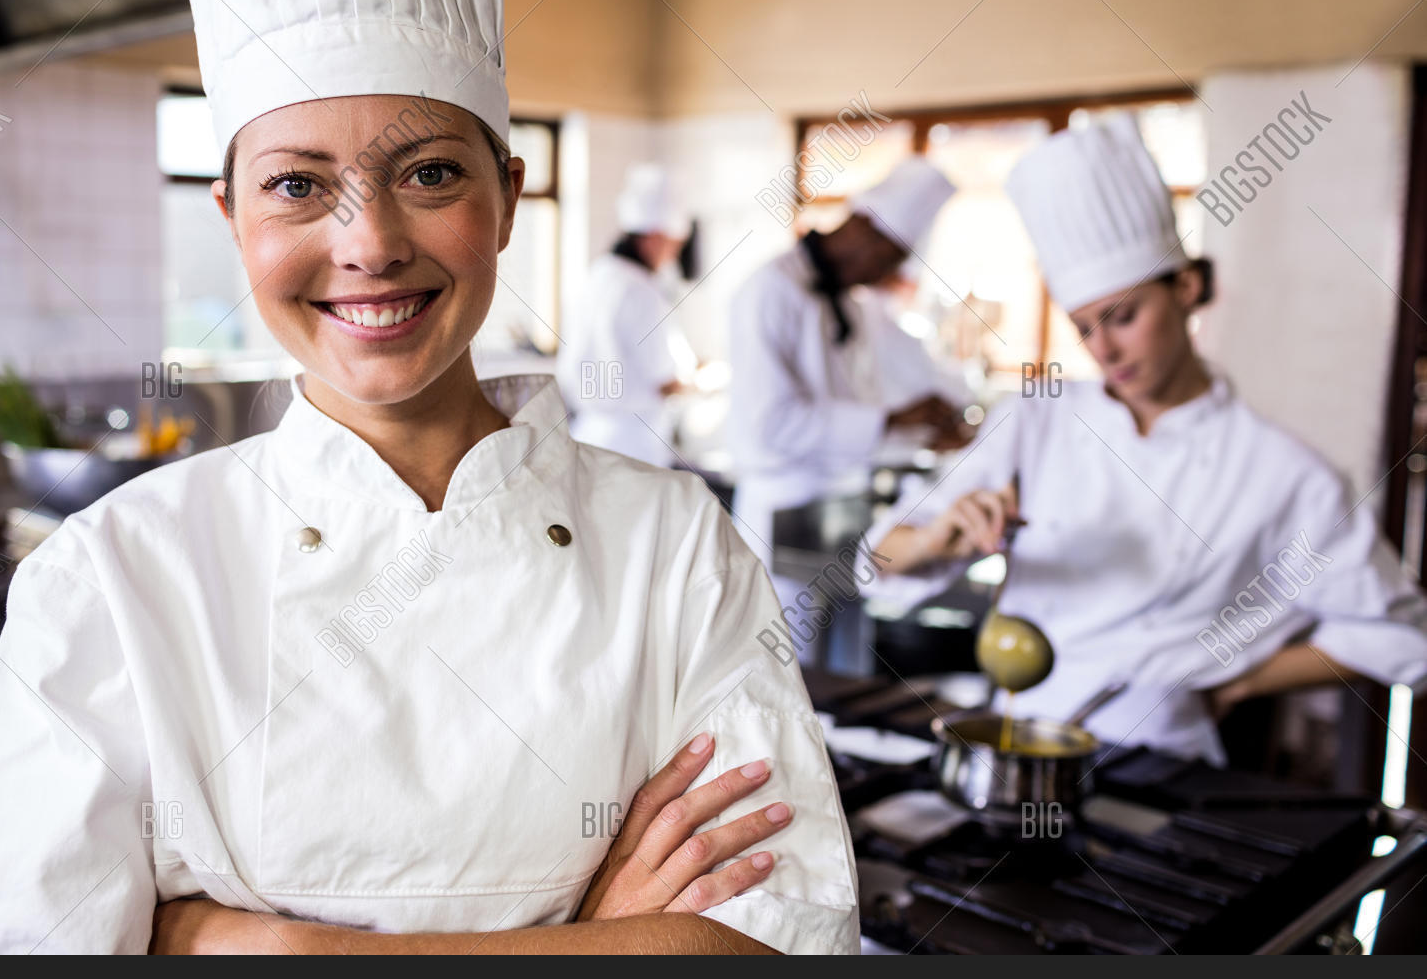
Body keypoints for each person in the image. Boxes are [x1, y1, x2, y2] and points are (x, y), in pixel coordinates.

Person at [0, 0, 858, 955]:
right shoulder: (110, 576)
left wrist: (275, 951)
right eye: (296, 184)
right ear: (232, 217)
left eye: (430, 173)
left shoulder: (675, 547)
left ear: (506, 195)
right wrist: (602, 944)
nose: (368, 242)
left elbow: (778, 951)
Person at [860, 115, 1427, 765]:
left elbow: (1398, 633)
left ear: (1186, 288)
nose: (1105, 349)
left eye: (1124, 317)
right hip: (1023, 740)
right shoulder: (1038, 417)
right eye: (1084, 328)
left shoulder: (1284, 471)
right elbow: (876, 563)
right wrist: (937, 538)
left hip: (1161, 757)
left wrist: (1235, 682)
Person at [727, 157, 971, 664]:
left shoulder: (853, 303)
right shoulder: (770, 291)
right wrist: (893, 421)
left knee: (846, 662)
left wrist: (919, 430)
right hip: (782, 512)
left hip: (840, 508)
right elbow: (770, 426)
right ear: (863, 230)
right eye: (891, 258)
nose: (890, 274)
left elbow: (855, 410)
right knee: (786, 672)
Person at [555, 164, 691, 466]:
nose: (673, 256)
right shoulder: (642, 291)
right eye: (674, 246)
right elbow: (664, 378)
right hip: (634, 445)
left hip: (587, 436)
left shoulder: (597, 275)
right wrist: (699, 383)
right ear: (656, 237)